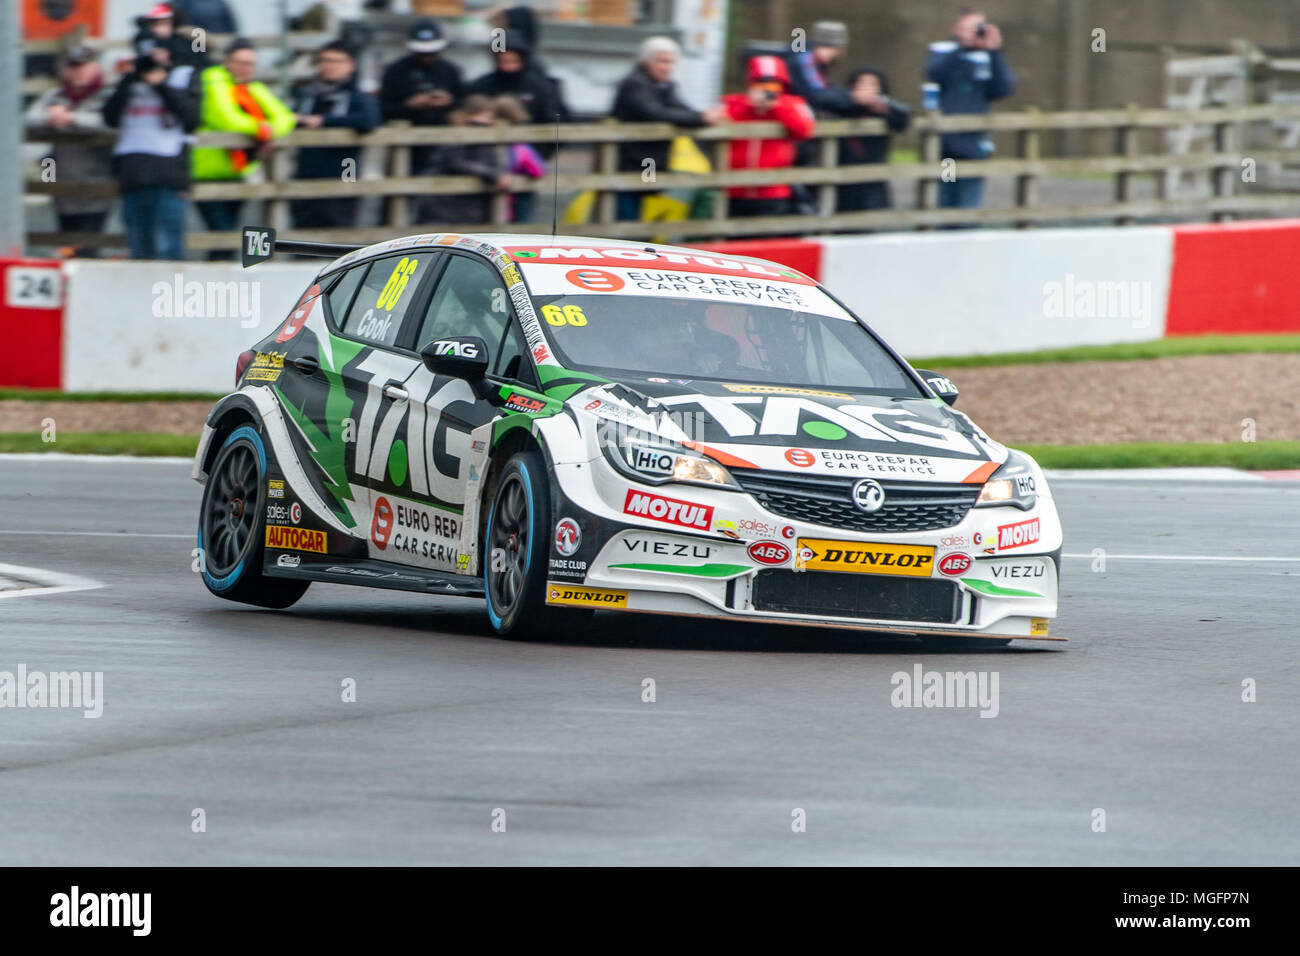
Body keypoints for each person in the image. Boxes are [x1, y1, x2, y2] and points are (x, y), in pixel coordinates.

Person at [192, 38, 295, 258]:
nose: (246, 68)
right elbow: (224, 118)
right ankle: (216, 281)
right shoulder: (213, 80)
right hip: (209, 172)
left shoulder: (252, 88)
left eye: (250, 64)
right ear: (227, 62)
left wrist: (266, 130)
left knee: (227, 235)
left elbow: (285, 118)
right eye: (240, 62)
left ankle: (220, 279)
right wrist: (263, 130)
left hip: (239, 171)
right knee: (222, 234)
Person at [102, 29, 200, 260]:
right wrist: (130, 78)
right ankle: (140, 295)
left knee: (167, 246)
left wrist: (161, 84)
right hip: (133, 172)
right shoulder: (130, 81)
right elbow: (110, 118)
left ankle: (171, 294)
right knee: (139, 244)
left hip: (168, 174)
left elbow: (191, 119)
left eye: (161, 52)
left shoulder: (184, 75)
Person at [609, 36, 725, 221]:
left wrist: (704, 116)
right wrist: (701, 117)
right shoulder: (634, 84)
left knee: (647, 213)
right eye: (662, 62)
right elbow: (655, 112)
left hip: (651, 161)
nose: (667, 67)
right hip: (632, 161)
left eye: (671, 62)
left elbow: (679, 109)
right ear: (647, 61)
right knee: (627, 214)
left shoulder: (664, 86)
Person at [23, 46, 114, 256]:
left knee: (88, 249)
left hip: (97, 187)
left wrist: (72, 118)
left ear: (96, 67)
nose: (78, 71)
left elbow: (111, 121)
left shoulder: (107, 94)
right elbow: (27, 119)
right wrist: (51, 116)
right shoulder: (55, 95)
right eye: (73, 66)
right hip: (62, 189)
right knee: (66, 250)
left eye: (84, 66)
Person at [926, 7, 1015, 210]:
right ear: (955, 29)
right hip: (947, 148)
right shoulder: (943, 51)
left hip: (974, 146)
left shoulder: (989, 58)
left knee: (969, 204)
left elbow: (1002, 89)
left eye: (977, 28)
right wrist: (962, 48)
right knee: (945, 200)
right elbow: (935, 74)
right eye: (967, 28)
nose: (973, 33)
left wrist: (994, 51)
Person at [466, 30, 559, 222]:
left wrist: (535, 155)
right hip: (484, 169)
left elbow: (555, 124)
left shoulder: (539, 88)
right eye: (503, 61)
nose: (508, 67)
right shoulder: (482, 86)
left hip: (524, 170)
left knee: (522, 220)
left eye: (513, 61)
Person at [290, 41, 381, 231]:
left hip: (345, 171)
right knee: (303, 233)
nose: (329, 66)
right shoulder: (307, 95)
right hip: (307, 174)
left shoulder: (358, 96)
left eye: (336, 61)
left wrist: (323, 121)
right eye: (325, 60)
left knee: (339, 227)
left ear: (351, 65)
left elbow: (369, 120)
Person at [719, 55, 815, 219]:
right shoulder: (734, 103)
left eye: (773, 85)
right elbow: (718, 119)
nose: (767, 91)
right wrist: (749, 106)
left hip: (773, 192)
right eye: (760, 85)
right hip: (734, 191)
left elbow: (805, 129)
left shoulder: (792, 104)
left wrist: (776, 107)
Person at [380, 18, 464, 176]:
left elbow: (464, 104)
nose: (427, 56)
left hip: (444, 146)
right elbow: (383, 110)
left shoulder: (451, 71)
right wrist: (409, 106)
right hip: (406, 148)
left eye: (431, 52)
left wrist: (449, 102)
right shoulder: (395, 71)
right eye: (422, 52)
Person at [419, 94, 512, 225]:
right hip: (445, 204)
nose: (488, 121)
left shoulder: (485, 136)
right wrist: (493, 174)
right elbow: (455, 161)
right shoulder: (457, 134)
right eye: (484, 116)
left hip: (468, 205)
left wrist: (497, 172)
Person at [836, 67, 911, 213]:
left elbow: (904, 121)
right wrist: (855, 104)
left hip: (873, 179)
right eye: (862, 84)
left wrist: (884, 110)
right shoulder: (842, 108)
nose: (867, 90)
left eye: (872, 85)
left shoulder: (882, 111)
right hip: (844, 179)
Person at [137, 2, 209, 69]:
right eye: (154, 25)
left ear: (174, 22)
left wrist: (169, 61)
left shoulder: (193, 37)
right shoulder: (149, 40)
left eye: (162, 24)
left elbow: (200, 63)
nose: (157, 29)